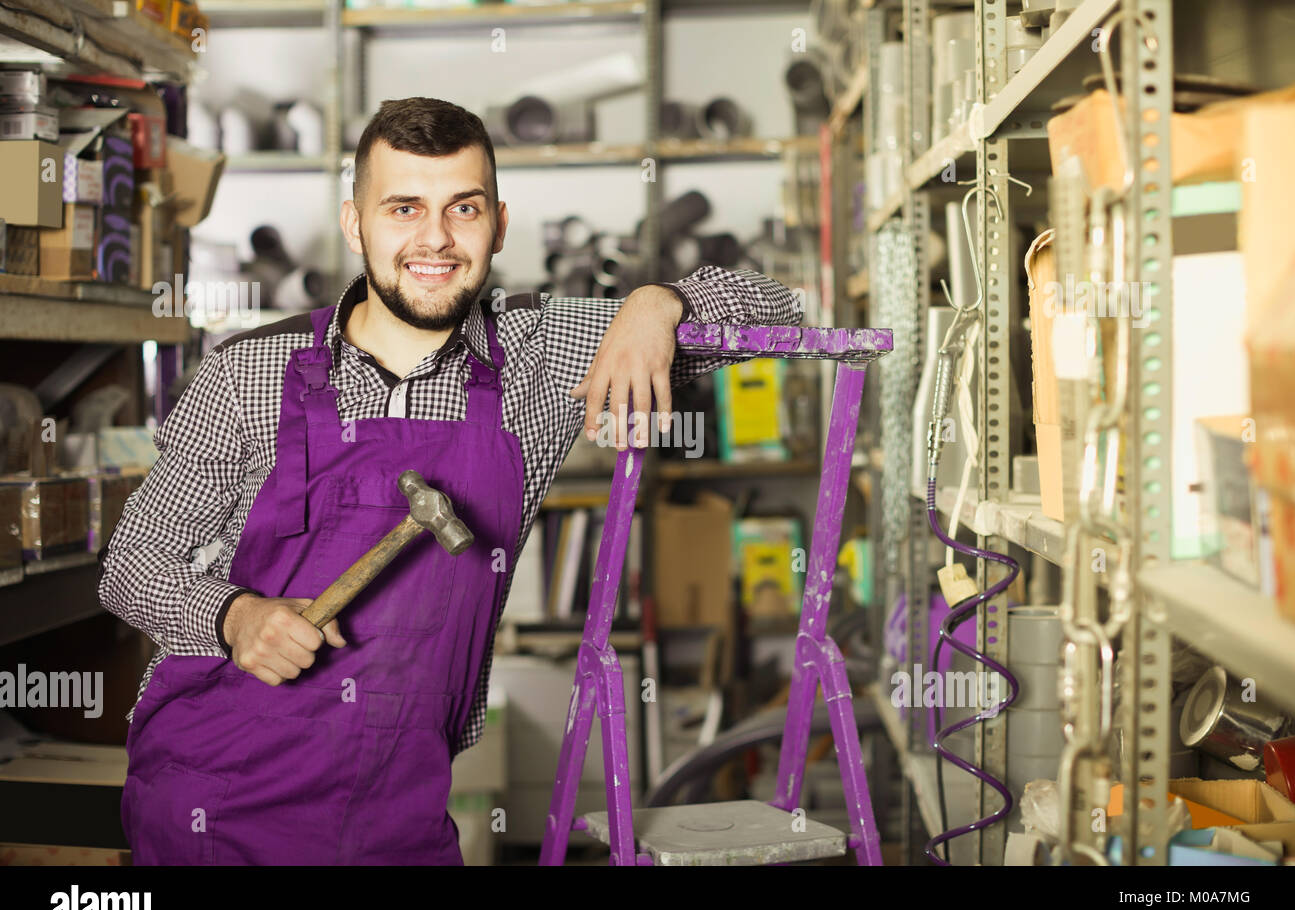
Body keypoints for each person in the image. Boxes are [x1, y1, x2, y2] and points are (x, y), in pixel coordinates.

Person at [98, 96, 803, 865]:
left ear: (498, 224)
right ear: (354, 221)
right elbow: (131, 564)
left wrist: (657, 304)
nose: (434, 238)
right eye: (403, 207)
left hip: (396, 813)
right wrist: (236, 617)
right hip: (214, 798)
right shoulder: (249, 372)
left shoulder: (538, 357)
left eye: (462, 208)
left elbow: (784, 312)